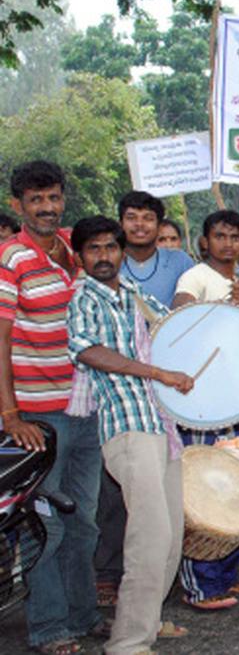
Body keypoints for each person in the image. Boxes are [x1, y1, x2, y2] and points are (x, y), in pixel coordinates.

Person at [66, 216, 192, 655]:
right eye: (93, 250)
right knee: (149, 535)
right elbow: (88, 350)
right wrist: (157, 371)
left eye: (110, 248)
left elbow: (174, 330)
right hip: (126, 428)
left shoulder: (133, 296)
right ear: (79, 257)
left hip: (161, 424)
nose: (103, 257)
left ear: (122, 252)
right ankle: (129, 642)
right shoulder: (84, 297)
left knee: (173, 533)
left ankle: (150, 620)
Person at [0, 161, 104, 655]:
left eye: (53, 197)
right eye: (35, 200)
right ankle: (48, 628)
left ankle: (84, 616)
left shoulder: (74, 247)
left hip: (86, 408)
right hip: (39, 418)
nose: (47, 207)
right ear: (17, 206)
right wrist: (11, 416)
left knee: (84, 519)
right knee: (47, 524)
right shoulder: (11, 258)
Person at [170, 210, 239, 611]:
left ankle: (226, 575)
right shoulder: (195, 278)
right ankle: (200, 584)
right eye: (219, 236)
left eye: (234, 237)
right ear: (205, 241)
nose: (227, 243)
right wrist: (230, 304)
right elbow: (181, 325)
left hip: (237, 405)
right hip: (203, 407)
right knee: (204, 492)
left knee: (234, 489)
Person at [117, 191, 193, 306]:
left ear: (159, 226)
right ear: (120, 224)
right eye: (131, 218)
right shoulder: (111, 264)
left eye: (148, 218)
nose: (139, 224)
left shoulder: (180, 261)